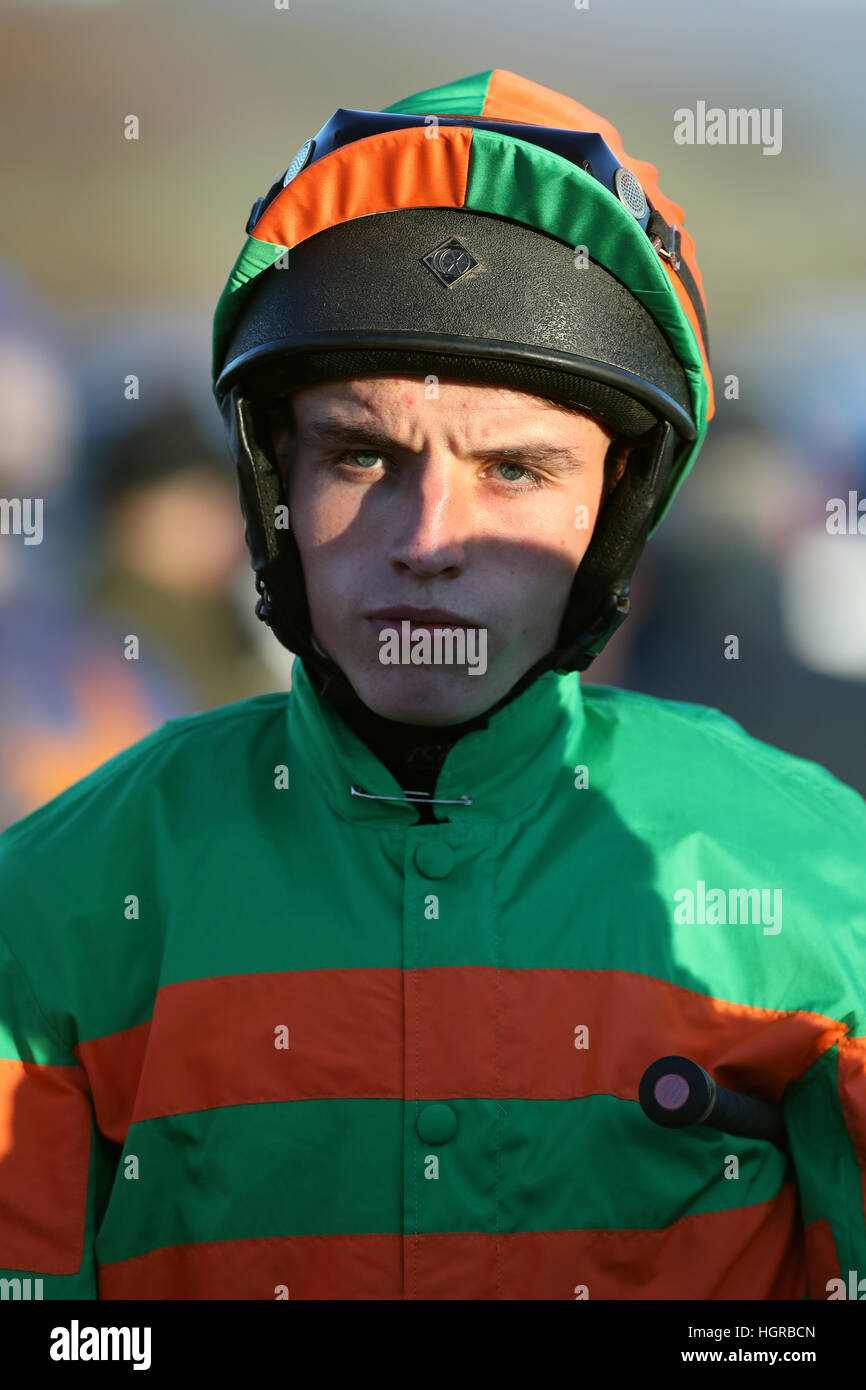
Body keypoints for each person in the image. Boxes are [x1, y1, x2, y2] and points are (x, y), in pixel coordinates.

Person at [0, 69, 863, 1302]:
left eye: (515, 468)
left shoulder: (825, 894)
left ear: (615, 511)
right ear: (275, 491)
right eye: (362, 453)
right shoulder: (56, 908)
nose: (429, 536)